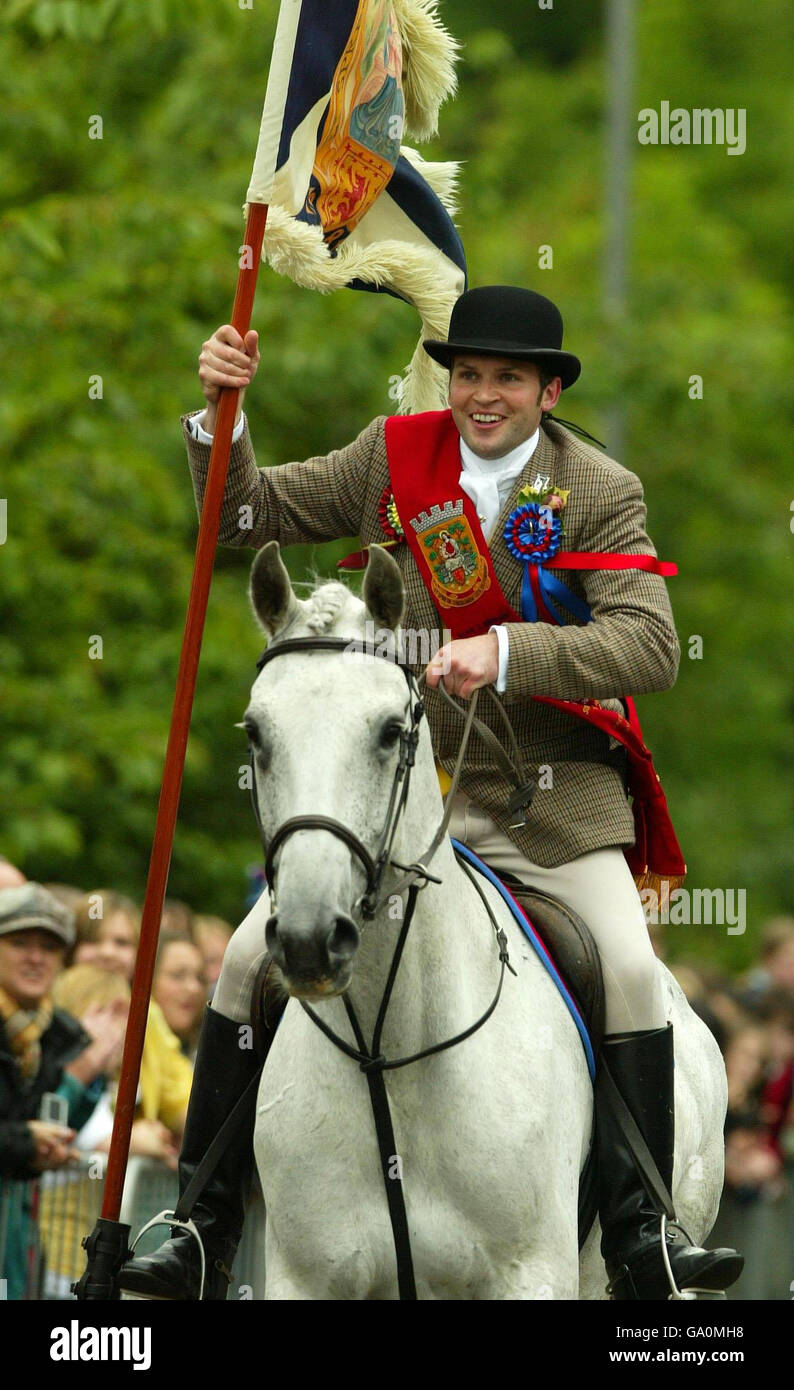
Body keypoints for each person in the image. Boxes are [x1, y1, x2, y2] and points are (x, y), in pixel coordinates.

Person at [121, 285, 741, 1300]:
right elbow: (243, 514)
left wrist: (499, 650)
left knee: (627, 971)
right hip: (400, 794)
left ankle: (640, 1232)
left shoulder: (596, 489)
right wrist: (216, 415)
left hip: (552, 803)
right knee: (242, 961)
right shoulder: (392, 457)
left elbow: (648, 642)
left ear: (546, 391)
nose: (481, 394)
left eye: (505, 378)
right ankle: (200, 1224)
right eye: (466, 374)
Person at [0, 884, 122, 1298]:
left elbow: (49, 1128)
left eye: (49, 948)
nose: (35, 958)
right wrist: (24, 1141)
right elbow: (20, 1132)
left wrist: (90, 1072)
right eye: (19, 943)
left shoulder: (60, 1034)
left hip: (17, 1250)